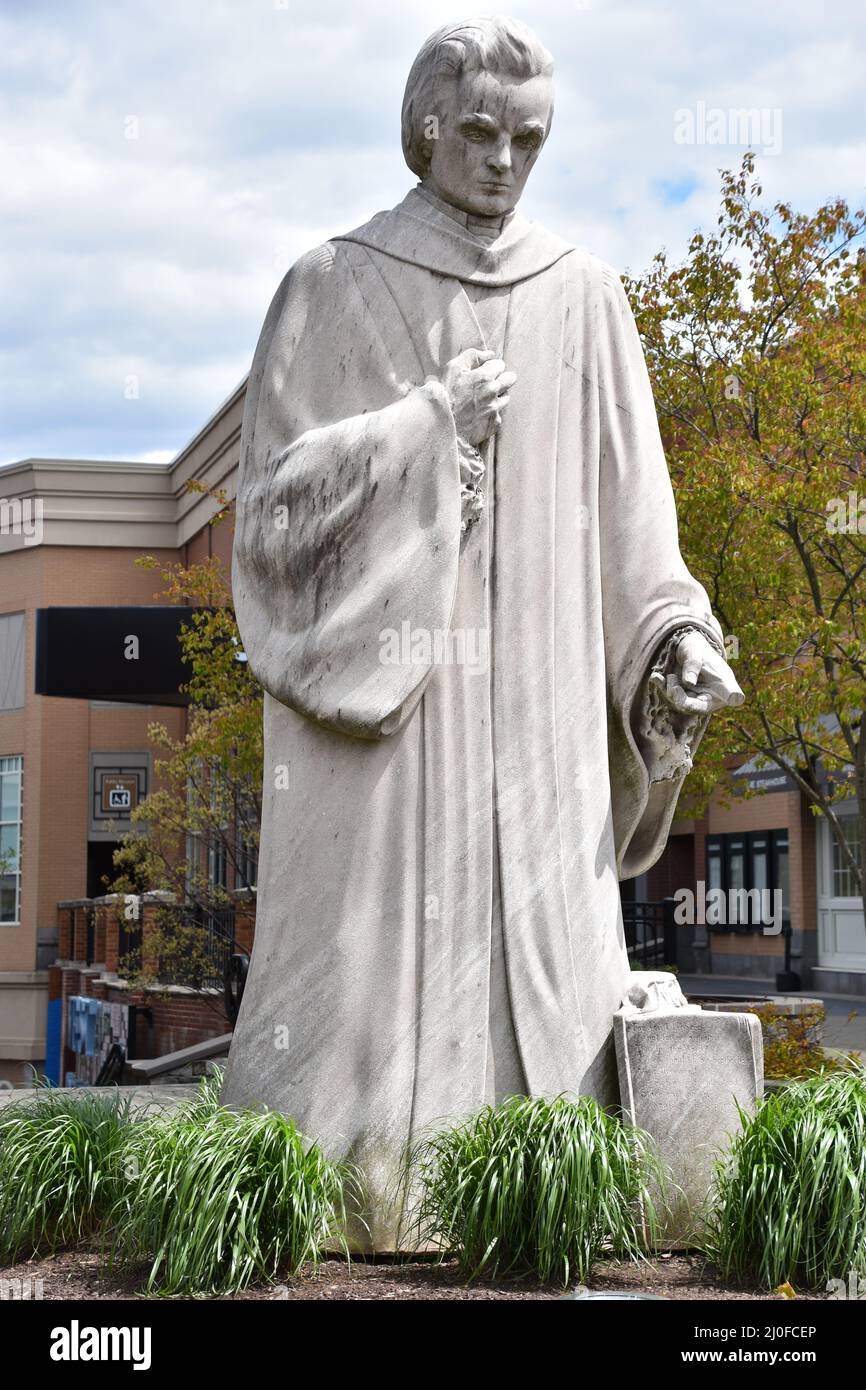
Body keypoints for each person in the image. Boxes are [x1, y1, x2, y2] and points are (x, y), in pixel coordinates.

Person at [221, 15, 743, 1246]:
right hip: (393, 738)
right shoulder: (330, 284)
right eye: (477, 134)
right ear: (422, 130)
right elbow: (270, 521)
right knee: (361, 985)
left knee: (549, 983)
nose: (504, 160)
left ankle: (540, 1198)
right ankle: (350, 1194)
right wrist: (421, 428)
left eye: (528, 138)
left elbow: (636, 523)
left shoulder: (587, 300)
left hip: (545, 717)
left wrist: (671, 638)